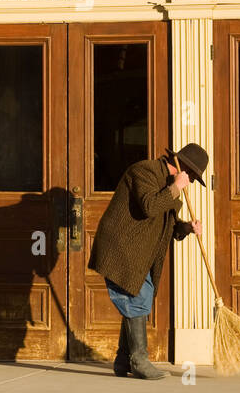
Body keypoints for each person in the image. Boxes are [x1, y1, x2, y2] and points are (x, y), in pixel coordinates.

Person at [88, 143, 208, 379]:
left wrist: (187, 227)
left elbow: (168, 224)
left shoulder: (171, 185)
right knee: (138, 297)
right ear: (181, 165)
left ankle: (123, 361)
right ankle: (139, 360)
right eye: (192, 175)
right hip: (120, 246)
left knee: (136, 297)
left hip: (139, 252)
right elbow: (150, 206)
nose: (191, 181)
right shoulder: (143, 171)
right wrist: (175, 187)